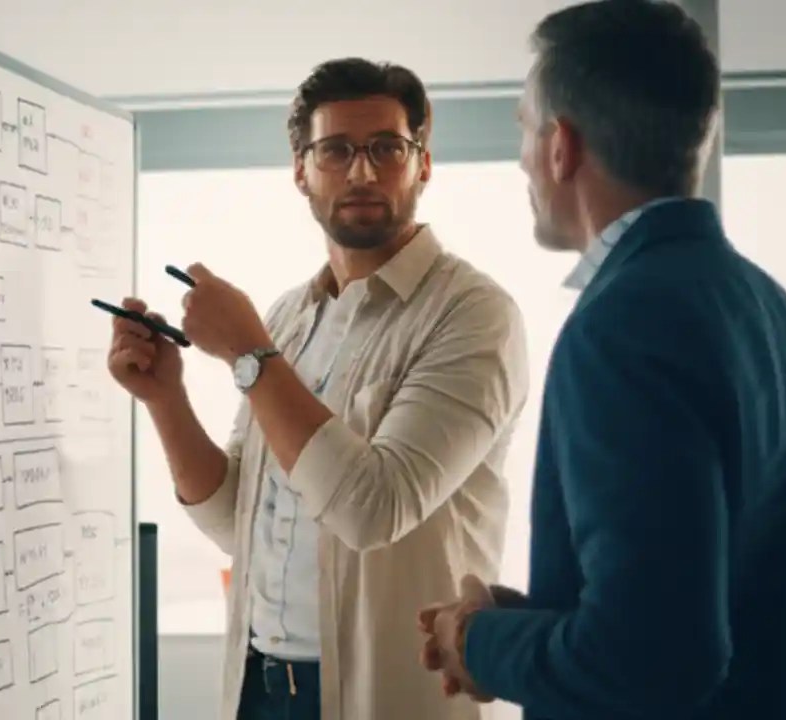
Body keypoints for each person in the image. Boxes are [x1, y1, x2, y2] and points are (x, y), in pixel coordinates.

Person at [418, 2, 786, 719]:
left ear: (560, 145)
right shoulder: (781, 320)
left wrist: (482, 644)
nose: (523, 159)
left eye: (524, 132)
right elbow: (707, 611)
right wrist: (527, 622)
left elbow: (653, 657)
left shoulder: (620, 330)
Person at [107, 57, 529, 719]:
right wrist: (167, 398)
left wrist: (249, 354)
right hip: (259, 686)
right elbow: (233, 524)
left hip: (383, 693)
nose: (361, 171)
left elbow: (373, 509)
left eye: (387, 148)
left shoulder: (473, 313)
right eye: (335, 150)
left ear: (423, 163)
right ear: (301, 170)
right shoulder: (287, 320)